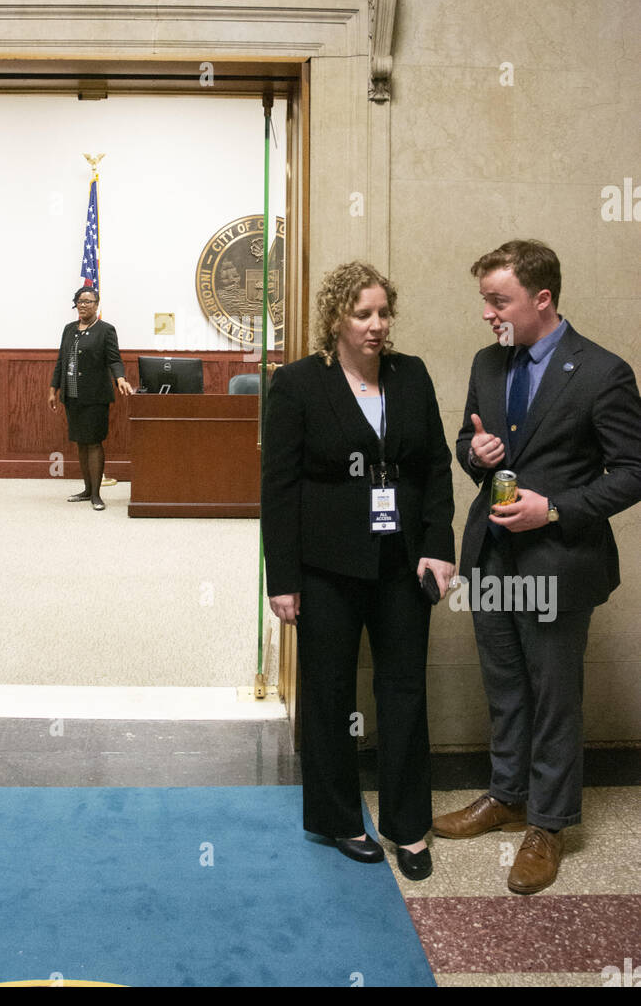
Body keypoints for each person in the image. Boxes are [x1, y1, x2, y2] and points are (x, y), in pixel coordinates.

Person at [434, 240, 641, 893]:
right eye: (484, 301)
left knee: (554, 696)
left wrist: (553, 510)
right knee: (505, 686)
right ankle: (507, 795)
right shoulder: (487, 363)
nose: (488, 313)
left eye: (499, 301)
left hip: (559, 559)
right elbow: (467, 441)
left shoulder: (604, 372)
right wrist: (479, 452)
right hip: (492, 557)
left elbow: (633, 471)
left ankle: (548, 825)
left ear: (542, 299)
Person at [261, 262, 455, 881]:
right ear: (336, 320)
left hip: (402, 563)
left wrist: (439, 545)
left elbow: (434, 469)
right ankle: (340, 817)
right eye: (362, 314)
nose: (376, 326)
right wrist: (282, 578)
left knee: (403, 692)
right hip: (326, 567)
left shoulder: (411, 374)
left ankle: (407, 827)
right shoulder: (297, 384)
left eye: (383, 313)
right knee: (329, 693)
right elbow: (279, 488)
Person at [48, 287, 133, 510]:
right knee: (81, 442)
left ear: (97, 305)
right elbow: (61, 361)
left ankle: (96, 494)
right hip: (72, 395)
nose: (83, 305)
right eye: (80, 301)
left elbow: (114, 359)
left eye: (88, 301)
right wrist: (53, 389)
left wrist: (121, 379)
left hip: (95, 396)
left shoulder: (106, 330)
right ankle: (86, 490)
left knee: (94, 442)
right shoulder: (68, 330)